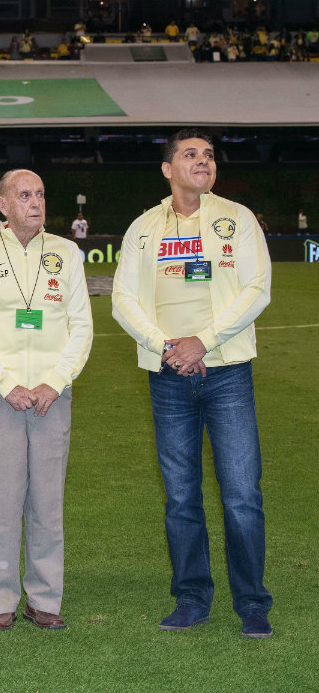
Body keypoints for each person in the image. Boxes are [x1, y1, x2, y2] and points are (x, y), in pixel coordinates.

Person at [112, 128, 274, 639]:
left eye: (208, 155)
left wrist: (201, 341)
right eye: (190, 154)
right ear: (168, 168)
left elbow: (257, 289)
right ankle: (191, 597)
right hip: (168, 376)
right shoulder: (142, 228)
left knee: (242, 493)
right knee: (181, 496)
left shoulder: (237, 219)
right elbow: (123, 300)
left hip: (226, 373)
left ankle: (252, 603)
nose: (203, 161)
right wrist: (167, 347)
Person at [0, 170, 93, 631]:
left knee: (48, 501)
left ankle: (45, 598)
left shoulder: (66, 252)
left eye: (40, 193)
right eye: (25, 195)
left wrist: (55, 381)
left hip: (52, 396)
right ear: (3, 205)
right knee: (3, 499)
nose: (35, 202)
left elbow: (82, 326)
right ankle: (1, 598)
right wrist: (4, 381)